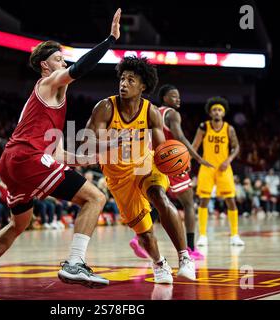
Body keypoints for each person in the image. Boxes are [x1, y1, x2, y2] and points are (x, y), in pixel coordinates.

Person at [0, 9, 122, 293]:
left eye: (64, 58)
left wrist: (99, 155)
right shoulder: (47, 83)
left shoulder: (54, 106)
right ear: (45, 67)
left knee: (19, 223)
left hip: (12, 162)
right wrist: (109, 40)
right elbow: (81, 69)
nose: (65, 62)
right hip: (26, 157)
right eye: (58, 59)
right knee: (95, 198)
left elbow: (59, 155)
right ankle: (74, 262)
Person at [83, 56, 196, 284]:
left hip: (145, 165)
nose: (124, 84)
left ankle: (185, 257)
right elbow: (87, 142)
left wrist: (176, 162)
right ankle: (159, 263)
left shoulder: (150, 112)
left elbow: (162, 150)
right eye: (122, 79)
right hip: (118, 176)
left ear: (143, 86)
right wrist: (113, 142)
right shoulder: (105, 108)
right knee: (144, 233)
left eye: (131, 80)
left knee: (159, 196)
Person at [151, 84, 213, 259]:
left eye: (178, 96)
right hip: (172, 160)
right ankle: (191, 248)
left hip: (155, 159)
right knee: (188, 203)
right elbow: (180, 137)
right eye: (173, 96)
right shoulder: (172, 114)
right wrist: (196, 157)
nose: (177, 99)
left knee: (159, 200)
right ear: (164, 98)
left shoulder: (154, 111)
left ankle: (139, 236)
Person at [192, 96, 245, 246]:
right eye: (214, 110)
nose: (216, 112)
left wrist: (228, 160)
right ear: (210, 112)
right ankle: (202, 235)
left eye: (219, 110)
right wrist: (193, 160)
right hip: (207, 167)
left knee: (231, 200)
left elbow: (236, 147)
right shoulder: (204, 126)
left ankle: (234, 235)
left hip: (224, 168)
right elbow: (194, 146)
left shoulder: (229, 128)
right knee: (204, 200)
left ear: (223, 113)